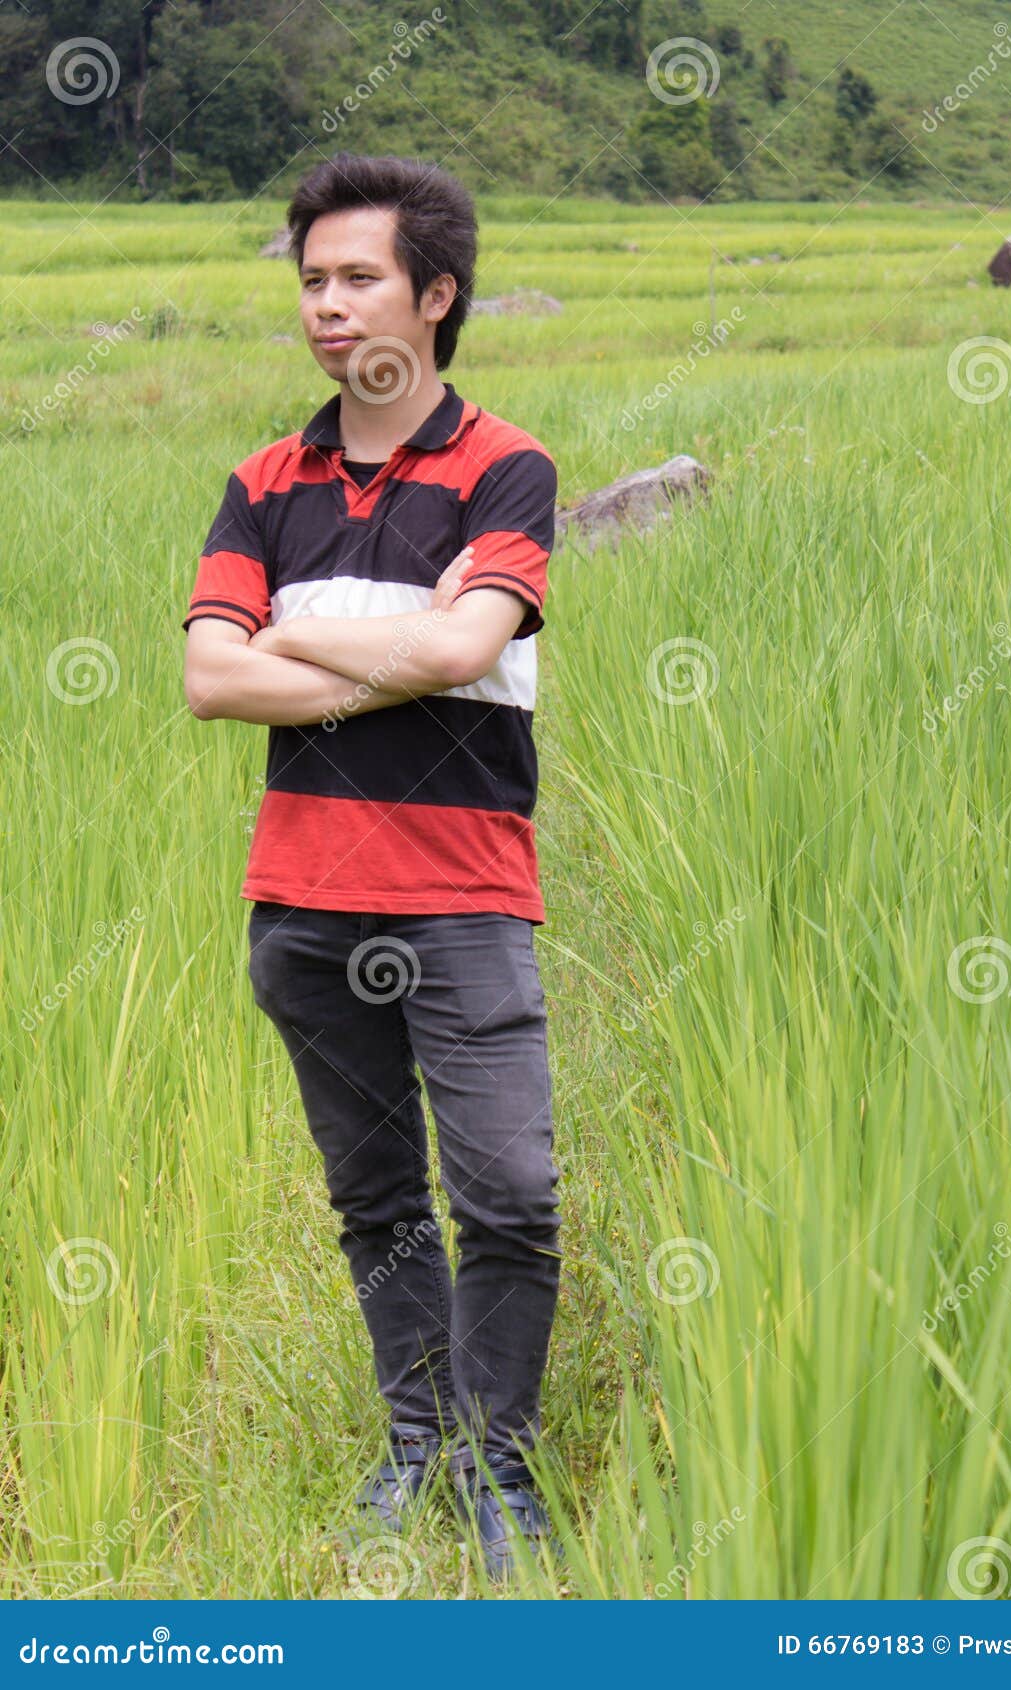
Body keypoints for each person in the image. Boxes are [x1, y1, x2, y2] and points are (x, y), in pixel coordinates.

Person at [181, 152, 561, 1581]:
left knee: (510, 1191)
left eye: (359, 279)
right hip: (303, 900)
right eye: (313, 282)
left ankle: (503, 1469)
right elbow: (211, 681)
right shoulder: (261, 481)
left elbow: (470, 649)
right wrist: (383, 650)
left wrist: (293, 633)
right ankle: (422, 1447)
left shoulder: (502, 465)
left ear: (437, 293)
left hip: (464, 890)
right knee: (379, 1202)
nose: (328, 307)